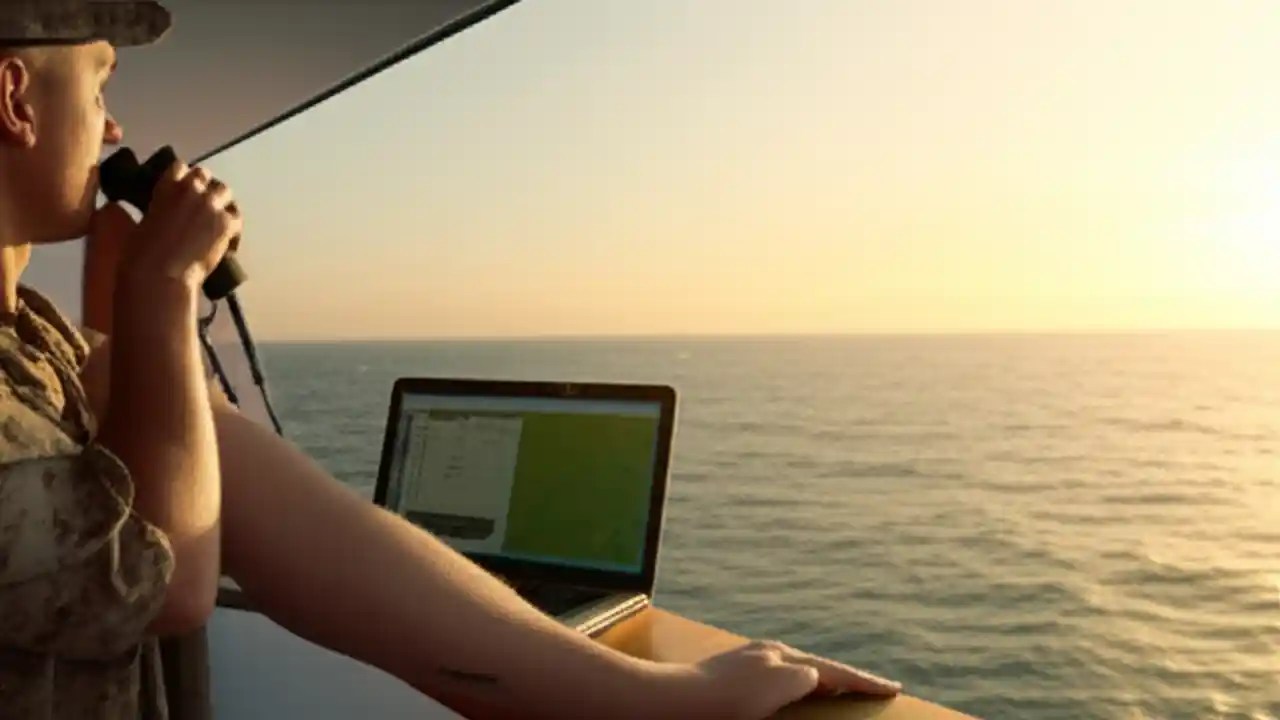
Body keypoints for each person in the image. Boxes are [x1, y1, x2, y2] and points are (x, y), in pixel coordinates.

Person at [2, 1, 903, 718]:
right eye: (96, 85)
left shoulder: (34, 342)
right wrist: (162, 281)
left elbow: (193, 450)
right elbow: (163, 577)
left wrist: (650, 698)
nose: (116, 127)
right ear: (14, 99)